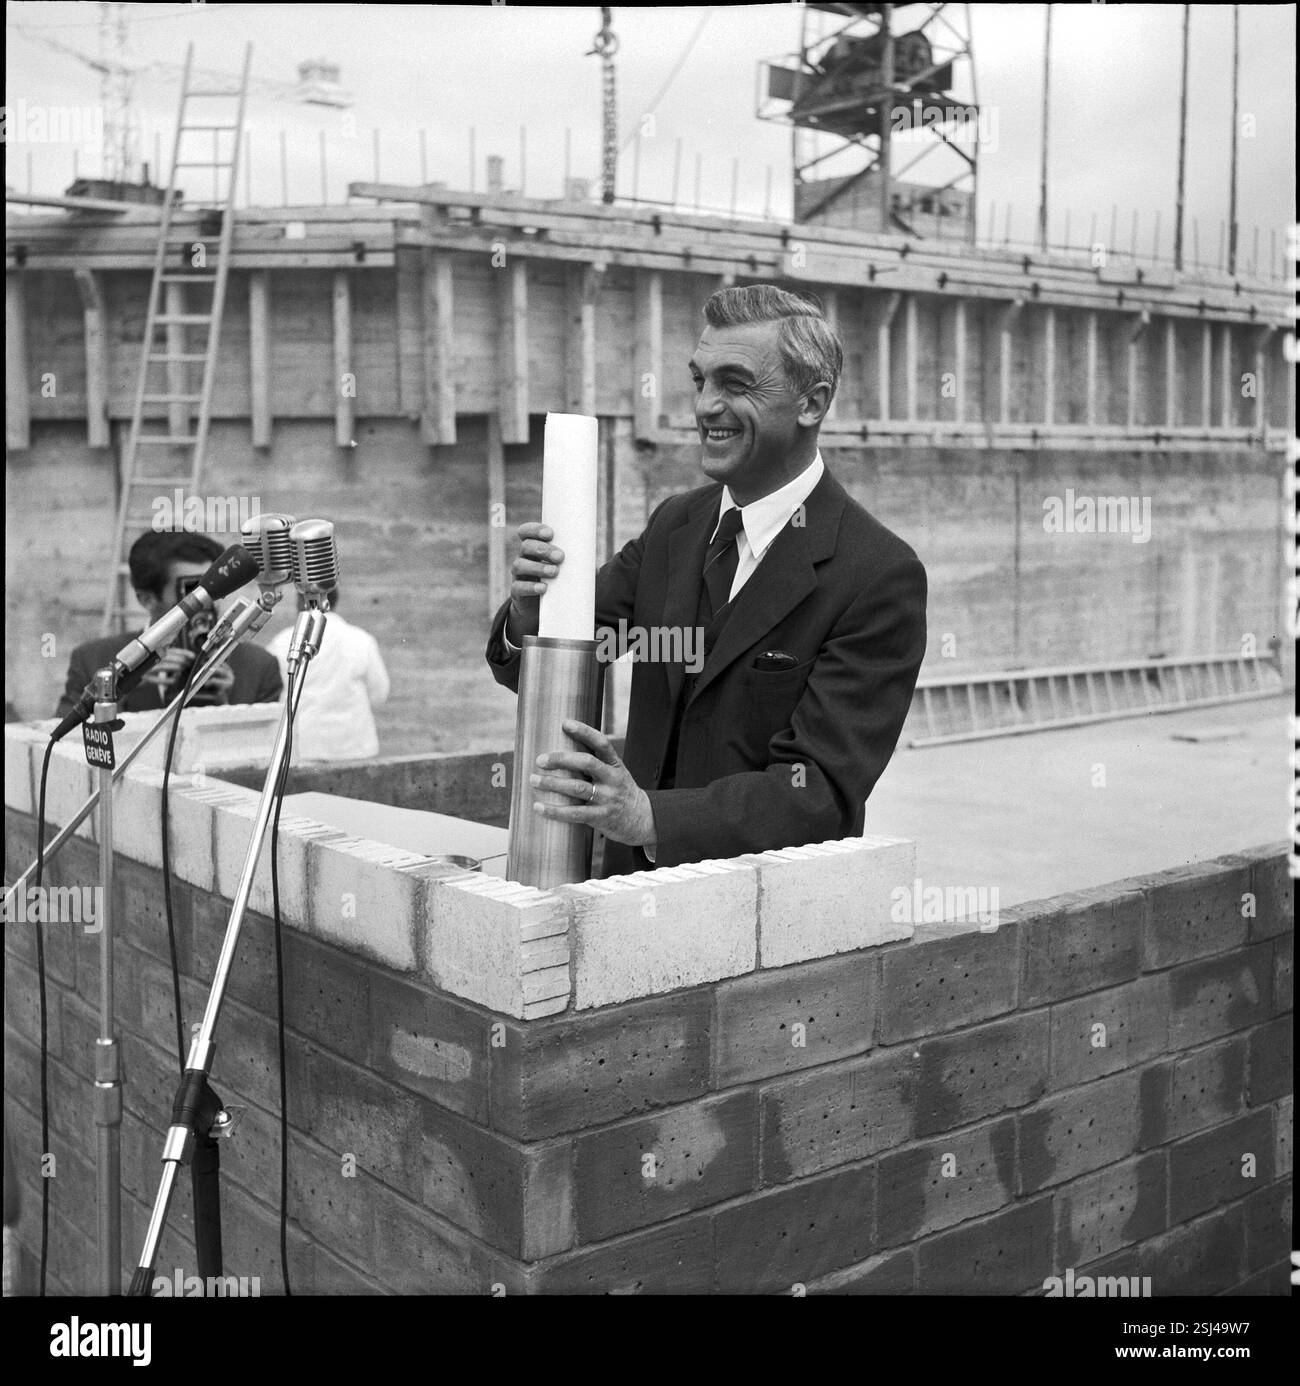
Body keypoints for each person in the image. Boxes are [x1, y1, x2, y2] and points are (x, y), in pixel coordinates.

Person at [486, 284, 927, 879]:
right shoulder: (676, 527)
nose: (705, 406)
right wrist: (529, 612)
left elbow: (819, 791)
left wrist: (650, 818)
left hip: (764, 924)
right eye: (700, 380)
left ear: (812, 403)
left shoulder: (876, 575)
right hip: (628, 894)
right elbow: (567, 656)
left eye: (735, 384)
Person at [57, 530, 281, 717]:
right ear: (146, 599)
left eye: (216, 589)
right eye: (192, 592)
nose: (206, 603)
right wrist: (123, 691)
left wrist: (227, 710)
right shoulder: (93, 662)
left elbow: (267, 758)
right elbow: (64, 749)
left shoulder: (259, 667)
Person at [266, 585, 389, 761]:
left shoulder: (282, 641)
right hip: (353, 745)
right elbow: (379, 693)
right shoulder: (361, 639)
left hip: (302, 746)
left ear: (301, 601)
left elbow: (274, 693)